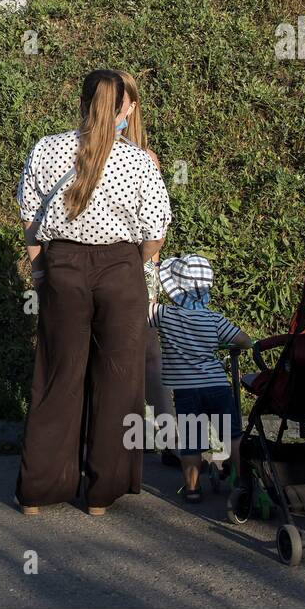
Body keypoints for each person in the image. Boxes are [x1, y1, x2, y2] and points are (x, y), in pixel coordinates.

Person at [16, 69, 172, 515]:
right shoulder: (140, 161)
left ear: (83, 101)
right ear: (125, 108)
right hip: (121, 271)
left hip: (63, 265)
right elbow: (155, 232)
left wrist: (42, 270)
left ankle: (38, 492)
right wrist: (133, 267)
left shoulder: (47, 148)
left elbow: (30, 216)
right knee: (119, 382)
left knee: (57, 377)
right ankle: (102, 494)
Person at [150, 254, 252, 503]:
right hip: (217, 386)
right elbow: (245, 340)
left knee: (192, 444)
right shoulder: (214, 319)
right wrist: (223, 343)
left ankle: (193, 489)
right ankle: (242, 481)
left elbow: (144, 308)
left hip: (186, 391)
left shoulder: (164, 315)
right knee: (233, 435)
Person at [116, 71, 176, 461]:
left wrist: (146, 266)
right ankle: (123, 438)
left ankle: (170, 439)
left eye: (119, 103)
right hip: (118, 262)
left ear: (131, 107)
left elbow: (158, 224)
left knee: (150, 354)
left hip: (139, 264)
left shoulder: (144, 157)